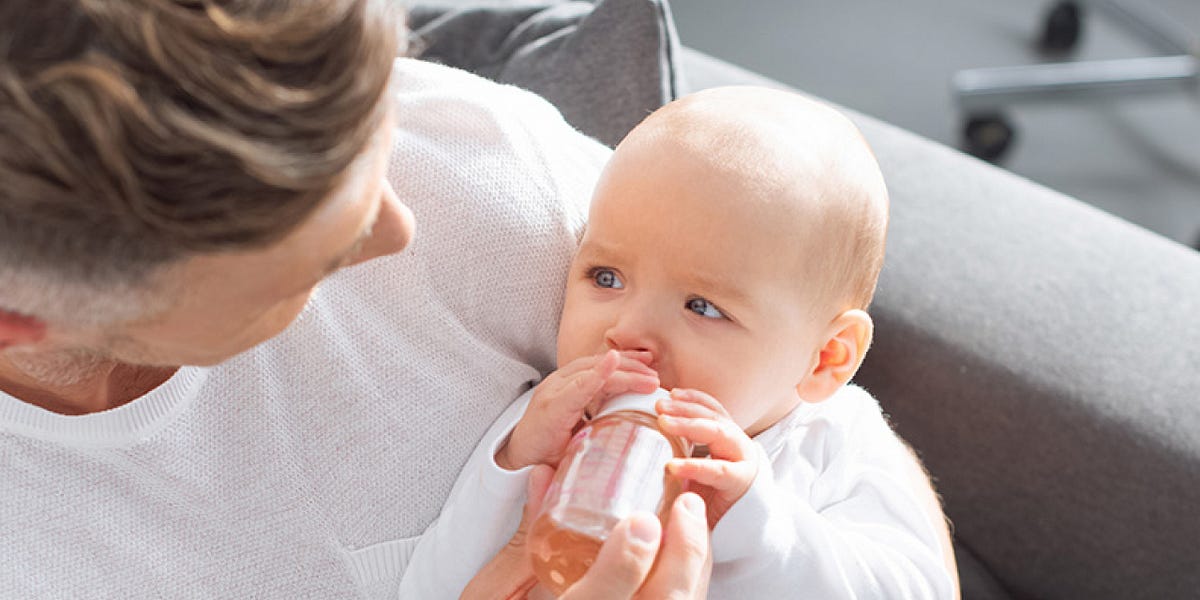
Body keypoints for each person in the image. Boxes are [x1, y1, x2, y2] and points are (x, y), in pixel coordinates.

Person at [0, 1, 938, 598]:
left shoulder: (478, 164)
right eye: (311, 245)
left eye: (371, 137)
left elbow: (810, 398)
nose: (401, 229)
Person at [400, 87, 958, 598]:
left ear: (825, 359)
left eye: (703, 307)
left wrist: (758, 528)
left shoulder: (837, 444)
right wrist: (514, 464)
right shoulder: (553, 429)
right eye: (606, 277)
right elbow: (423, 590)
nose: (628, 331)